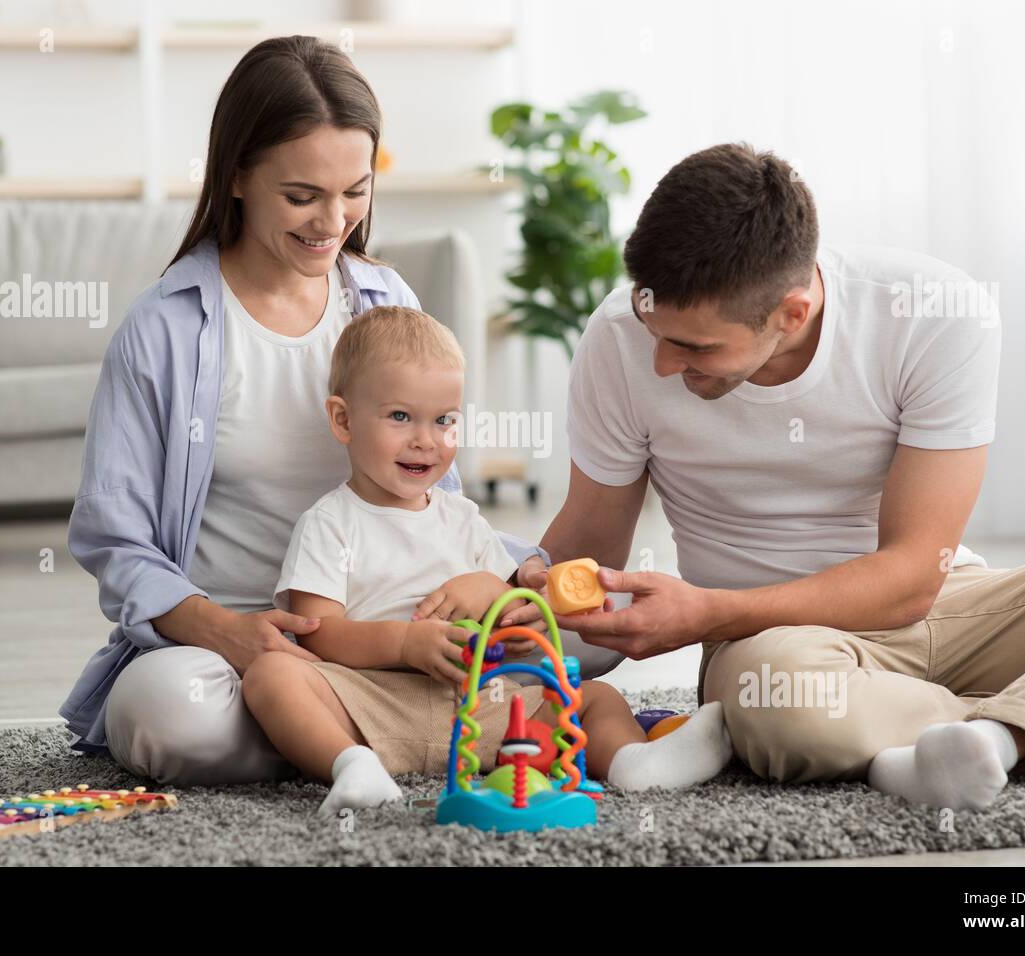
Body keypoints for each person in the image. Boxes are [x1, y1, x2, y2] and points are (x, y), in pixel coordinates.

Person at [530, 142, 1025, 811]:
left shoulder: (933, 312)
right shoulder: (619, 340)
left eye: (695, 347)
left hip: (954, 609)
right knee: (780, 704)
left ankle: (1007, 733)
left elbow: (913, 577)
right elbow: (587, 544)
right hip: (774, 650)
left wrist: (707, 611)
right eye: (656, 330)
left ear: (791, 313)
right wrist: (514, 597)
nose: (662, 364)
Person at [60, 36, 555, 786]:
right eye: (302, 197)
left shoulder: (386, 301)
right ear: (236, 177)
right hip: (236, 647)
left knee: (577, 624)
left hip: (390, 630)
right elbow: (116, 540)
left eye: (355, 191)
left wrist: (522, 575)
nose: (334, 222)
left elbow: (433, 501)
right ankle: (416, 728)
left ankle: (339, 735)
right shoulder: (165, 328)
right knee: (171, 716)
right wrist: (231, 634)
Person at [252, 305, 730, 814]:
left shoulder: (462, 518)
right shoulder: (330, 523)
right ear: (343, 420)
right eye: (399, 416)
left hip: (485, 711)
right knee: (272, 675)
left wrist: (507, 590)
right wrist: (406, 642)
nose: (425, 439)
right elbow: (316, 631)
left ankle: (635, 763)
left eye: (444, 421)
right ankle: (351, 766)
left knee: (593, 697)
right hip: (376, 708)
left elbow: (516, 618)